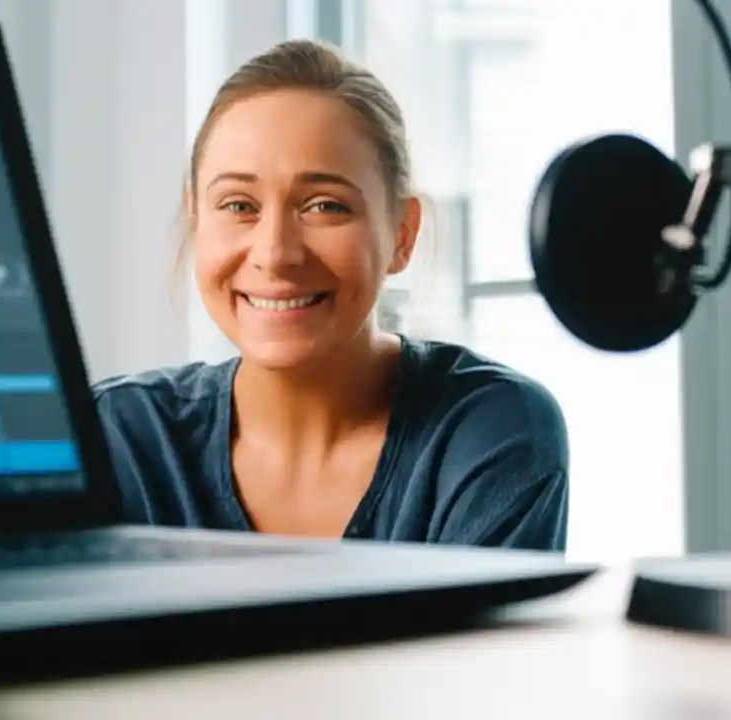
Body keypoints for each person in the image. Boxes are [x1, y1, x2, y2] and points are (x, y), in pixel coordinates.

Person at [93, 39, 569, 551]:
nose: (275, 253)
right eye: (237, 205)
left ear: (402, 235)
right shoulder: (115, 436)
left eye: (325, 206)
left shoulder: (487, 432)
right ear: (196, 219)